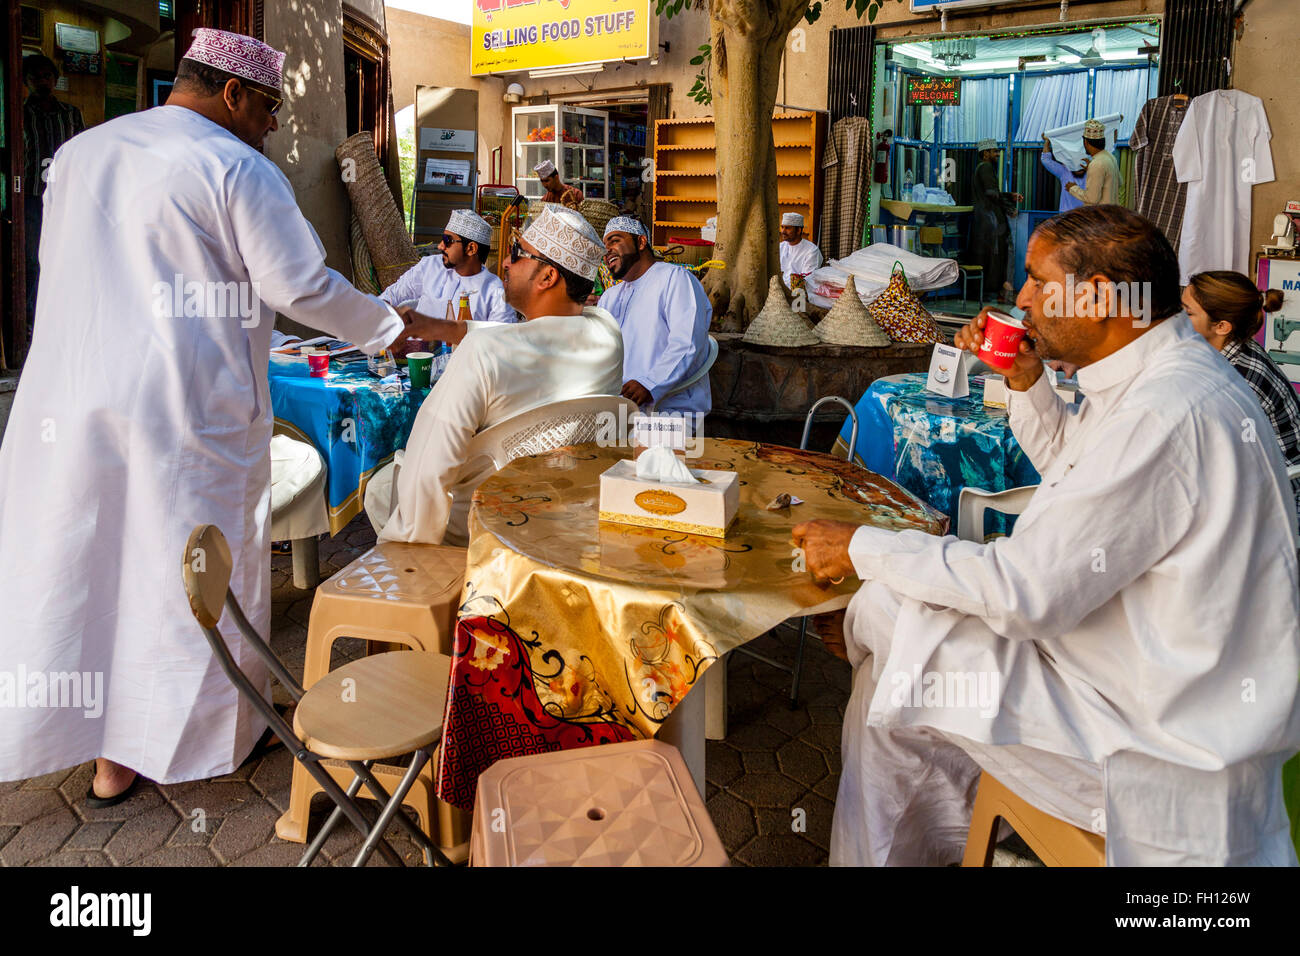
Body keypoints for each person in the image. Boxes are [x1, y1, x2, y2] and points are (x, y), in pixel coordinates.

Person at [0, 30, 437, 806]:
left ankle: (107, 755)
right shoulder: (236, 165)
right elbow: (300, 287)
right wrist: (392, 327)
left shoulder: (81, 155)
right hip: (182, 409)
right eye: (268, 107)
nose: (272, 125)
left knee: (93, 566)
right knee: (189, 569)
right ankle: (209, 733)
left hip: (71, 398)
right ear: (234, 94)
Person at [793, 205, 1300, 866]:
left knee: (892, 614)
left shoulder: (1164, 411)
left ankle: (856, 651)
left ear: (1098, 300)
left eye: (1036, 280)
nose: (1021, 299)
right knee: (894, 681)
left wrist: (859, 548)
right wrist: (1028, 382)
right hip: (1131, 677)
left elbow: (1025, 593)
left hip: (1160, 742)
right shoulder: (1163, 379)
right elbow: (1079, 478)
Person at [371, 204, 623, 546]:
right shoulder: (608, 333)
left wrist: (410, 553)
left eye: (518, 254)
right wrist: (445, 328)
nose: (504, 262)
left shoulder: (483, 352)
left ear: (548, 278)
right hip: (562, 505)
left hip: (480, 516)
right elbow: (538, 335)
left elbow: (427, 471)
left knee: (382, 486)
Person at [1183, 270, 1300, 528]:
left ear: (1222, 326)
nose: (1178, 319)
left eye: (1188, 313)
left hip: (1280, 492)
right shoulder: (1226, 350)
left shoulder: (1237, 378)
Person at [597, 216, 712, 416]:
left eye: (615, 240)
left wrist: (649, 384)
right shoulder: (610, 297)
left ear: (641, 242)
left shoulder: (675, 279)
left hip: (670, 409)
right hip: (619, 410)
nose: (607, 250)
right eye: (604, 246)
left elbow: (687, 342)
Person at [21, 53, 85, 336]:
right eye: (35, 77)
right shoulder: (19, 113)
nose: (42, 82)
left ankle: (62, 315)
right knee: (34, 259)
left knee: (67, 255)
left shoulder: (70, 114)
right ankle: (33, 319)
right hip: (31, 196)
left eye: (46, 76)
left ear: (55, 79)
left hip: (66, 196)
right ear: (26, 82)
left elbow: (83, 150)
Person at [379, 209, 514, 323]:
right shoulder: (430, 266)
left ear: (471, 248)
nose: (440, 246)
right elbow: (391, 296)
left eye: (447, 240)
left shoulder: (495, 293)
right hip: (414, 353)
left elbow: (500, 343)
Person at [968, 139, 1023, 303]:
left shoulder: (983, 168)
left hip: (986, 220)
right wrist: (1009, 207)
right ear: (985, 154)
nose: (998, 154)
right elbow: (991, 193)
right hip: (991, 220)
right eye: (994, 151)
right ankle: (1001, 291)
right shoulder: (985, 167)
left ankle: (995, 291)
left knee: (991, 258)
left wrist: (1008, 196)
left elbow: (991, 192)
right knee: (1000, 257)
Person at [1066, 118, 1120, 206]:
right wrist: (1090, 169)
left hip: (1099, 216)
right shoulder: (1110, 157)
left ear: (1086, 142)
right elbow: (1118, 183)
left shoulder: (1096, 164)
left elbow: (1092, 199)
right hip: (1111, 213)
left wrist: (1072, 188)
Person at [1039, 135, 1087, 213]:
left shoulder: (1093, 172)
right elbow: (1046, 160)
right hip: (1066, 217)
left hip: (1086, 217)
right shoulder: (1065, 171)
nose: (1078, 167)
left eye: (1081, 165)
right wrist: (1047, 142)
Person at [778, 212, 823, 290]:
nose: (783, 231)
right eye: (782, 227)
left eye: (787, 228)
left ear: (798, 230)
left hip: (798, 293)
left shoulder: (812, 251)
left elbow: (807, 279)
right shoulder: (780, 247)